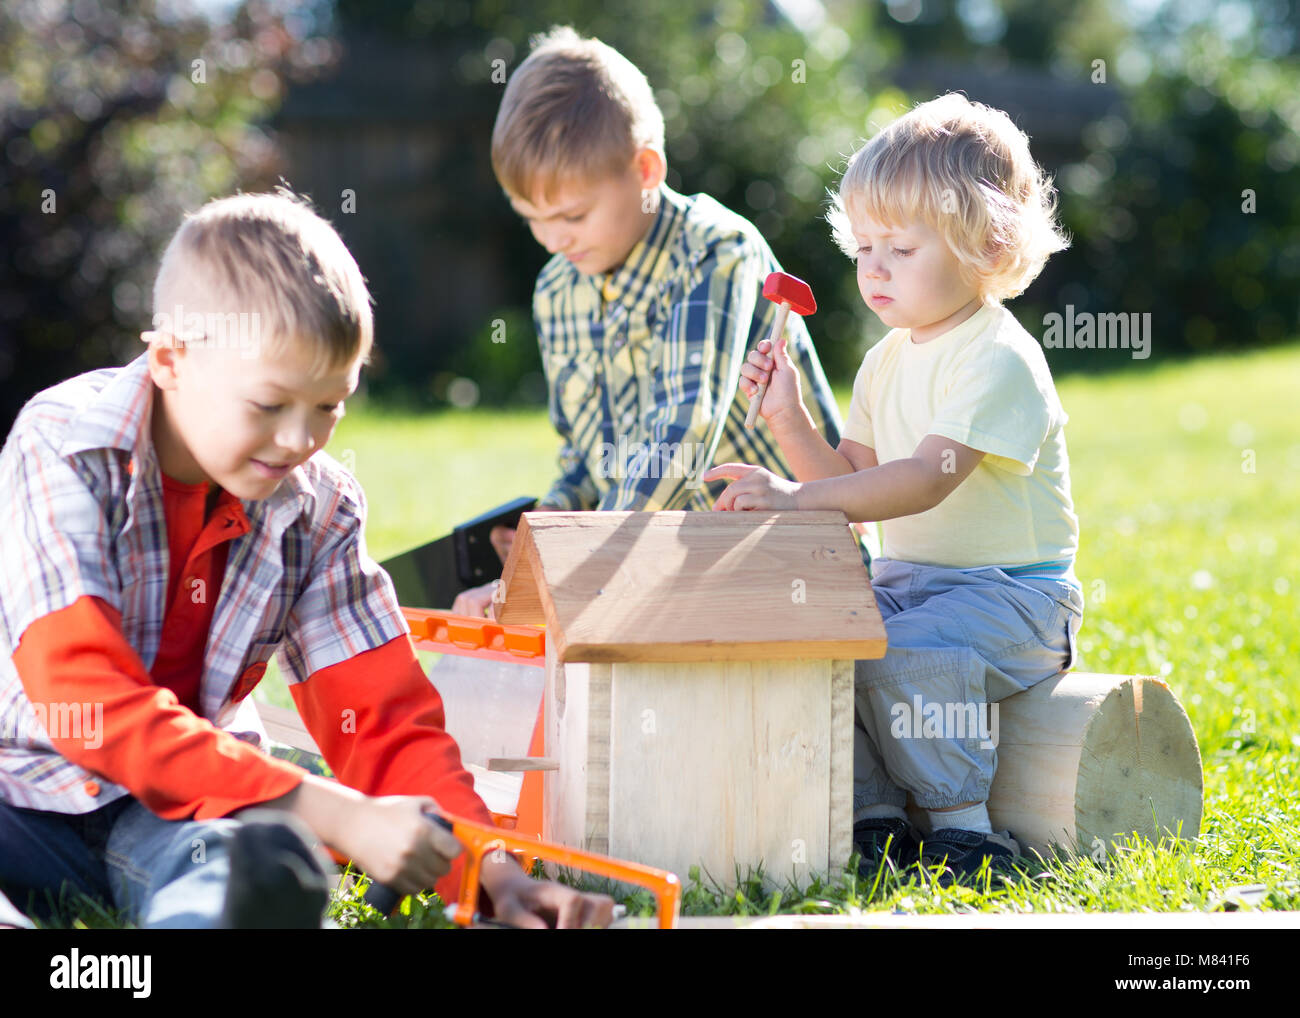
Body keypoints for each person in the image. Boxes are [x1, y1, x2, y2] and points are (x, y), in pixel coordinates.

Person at [0, 190, 613, 929]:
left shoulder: (316, 507)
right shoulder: (65, 447)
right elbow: (89, 704)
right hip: (18, 794)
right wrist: (330, 810)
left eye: (329, 406)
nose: (299, 441)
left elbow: (381, 722)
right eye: (269, 405)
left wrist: (489, 872)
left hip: (192, 809)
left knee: (239, 863)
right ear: (170, 360)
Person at [704, 94, 1085, 880]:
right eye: (864, 245)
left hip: (1013, 597)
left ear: (985, 246)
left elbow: (920, 482)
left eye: (901, 249)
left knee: (907, 653)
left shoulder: (997, 358)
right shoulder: (886, 358)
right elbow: (851, 481)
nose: (874, 268)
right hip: (912, 582)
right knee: (815, 642)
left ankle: (966, 830)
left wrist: (790, 498)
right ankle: (875, 816)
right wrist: (790, 425)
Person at [452, 25, 864, 617]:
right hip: (647, 570)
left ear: (645, 170)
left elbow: (680, 435)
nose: (553, 238)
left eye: (572, 214)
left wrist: (565, 572)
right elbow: (582, 455)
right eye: (531, 219)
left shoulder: (715, 252)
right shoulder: (557, 289)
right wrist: (543, 535)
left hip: (790, 564)